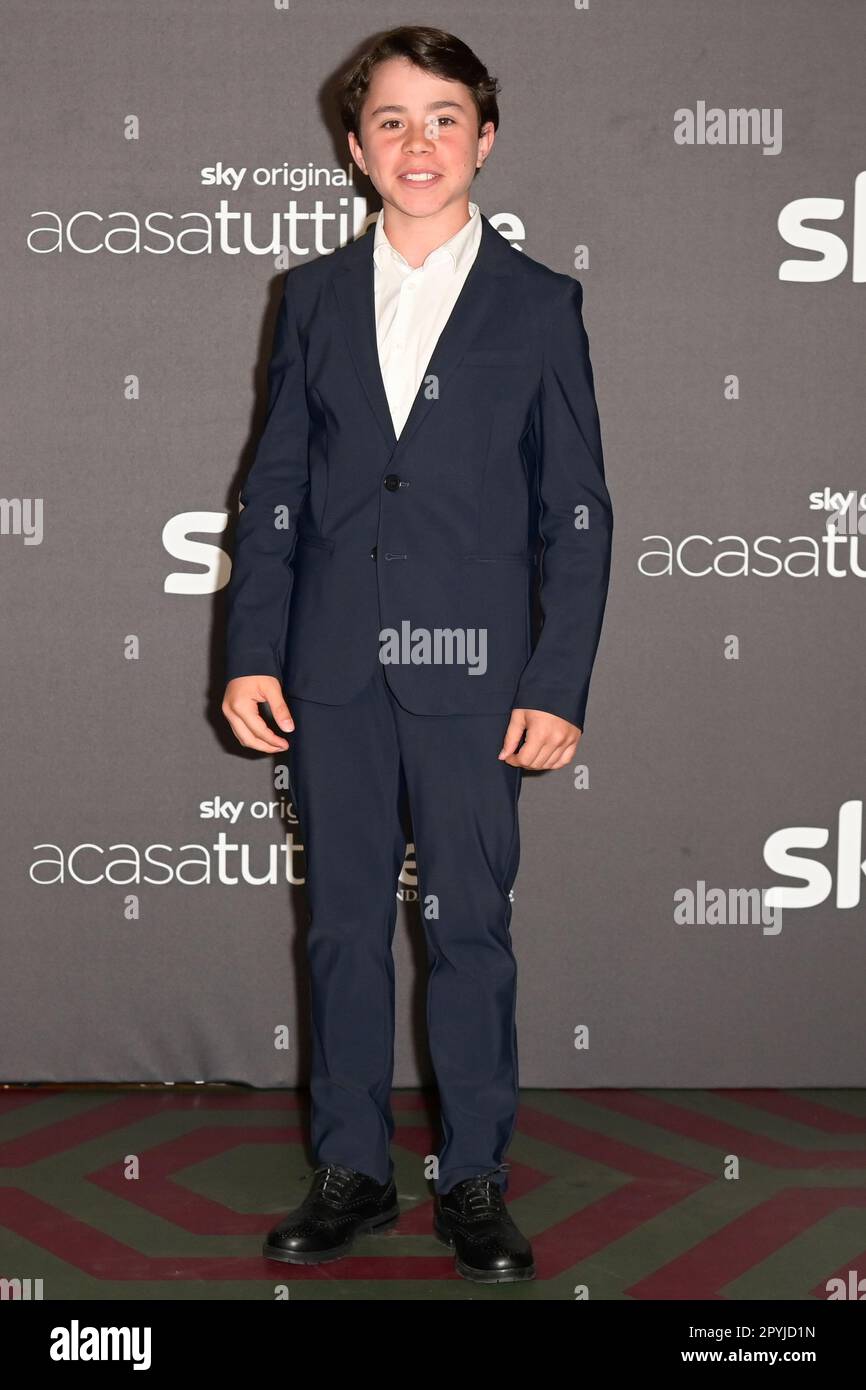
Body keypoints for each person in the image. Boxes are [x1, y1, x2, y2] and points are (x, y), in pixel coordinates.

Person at [222, 24, 613, 1285]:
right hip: (331, 673)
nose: (417, 142)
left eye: (443, 118)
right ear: (354, 147)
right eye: (390, 119)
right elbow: (271, 488)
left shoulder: (540, 303)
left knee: (468, 934)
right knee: (338, 932)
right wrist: (248, 652)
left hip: (477, 683)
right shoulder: (314, 296)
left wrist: (554, 681)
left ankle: (474, 1177)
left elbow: (578, 513)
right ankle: (348, 1167)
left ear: (484, 139)